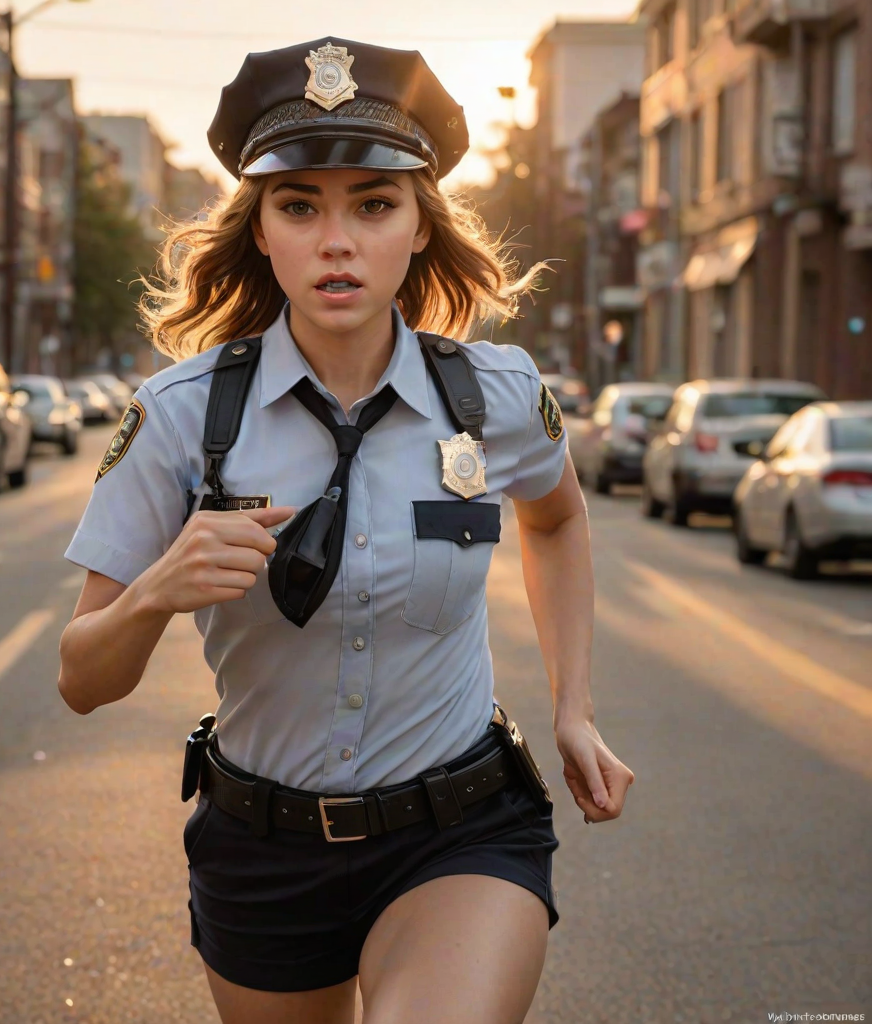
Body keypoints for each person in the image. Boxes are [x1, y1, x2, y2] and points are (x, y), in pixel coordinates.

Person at [58, 37, 633, 1024]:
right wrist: (158, 588)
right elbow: (82, 680)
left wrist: (572, 704)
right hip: (262, 846)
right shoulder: (179, 416)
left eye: (373, 204)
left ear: (417, 227)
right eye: (299, 206)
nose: (337, 239)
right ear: (263, 232)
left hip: (460, 829)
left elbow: (558, 519)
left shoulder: (495, 396)